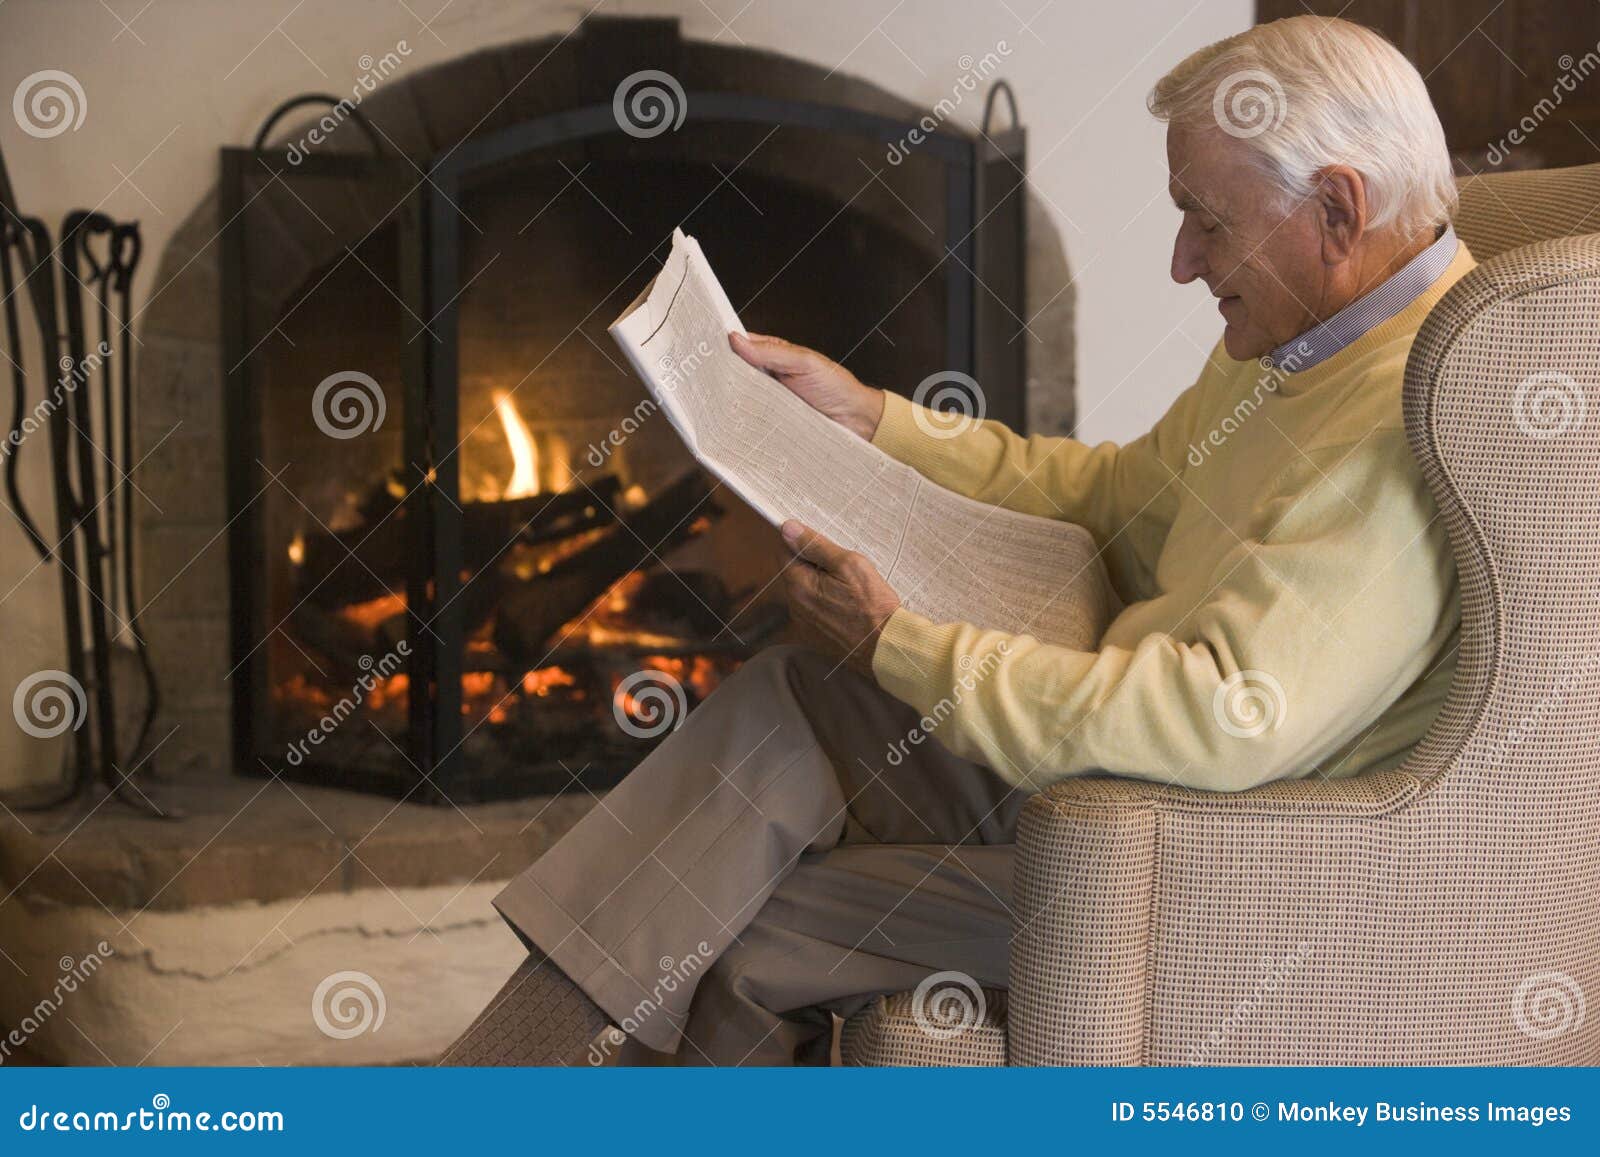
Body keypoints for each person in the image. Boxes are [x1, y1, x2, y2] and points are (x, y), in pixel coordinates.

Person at [441, 14, 1473, 1066]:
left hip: (1195, 862)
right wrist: (875, 418)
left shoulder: (1407, 415)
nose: (1179, 262)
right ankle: (500, 1074)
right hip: (1111, 787)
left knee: (740, 925)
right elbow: (1122, 492)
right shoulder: (1302, 338)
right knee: (801, 693)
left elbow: (1219, 721)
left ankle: (493, 1095)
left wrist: (904, 642)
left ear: (1337, 209)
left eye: (1205, 220)